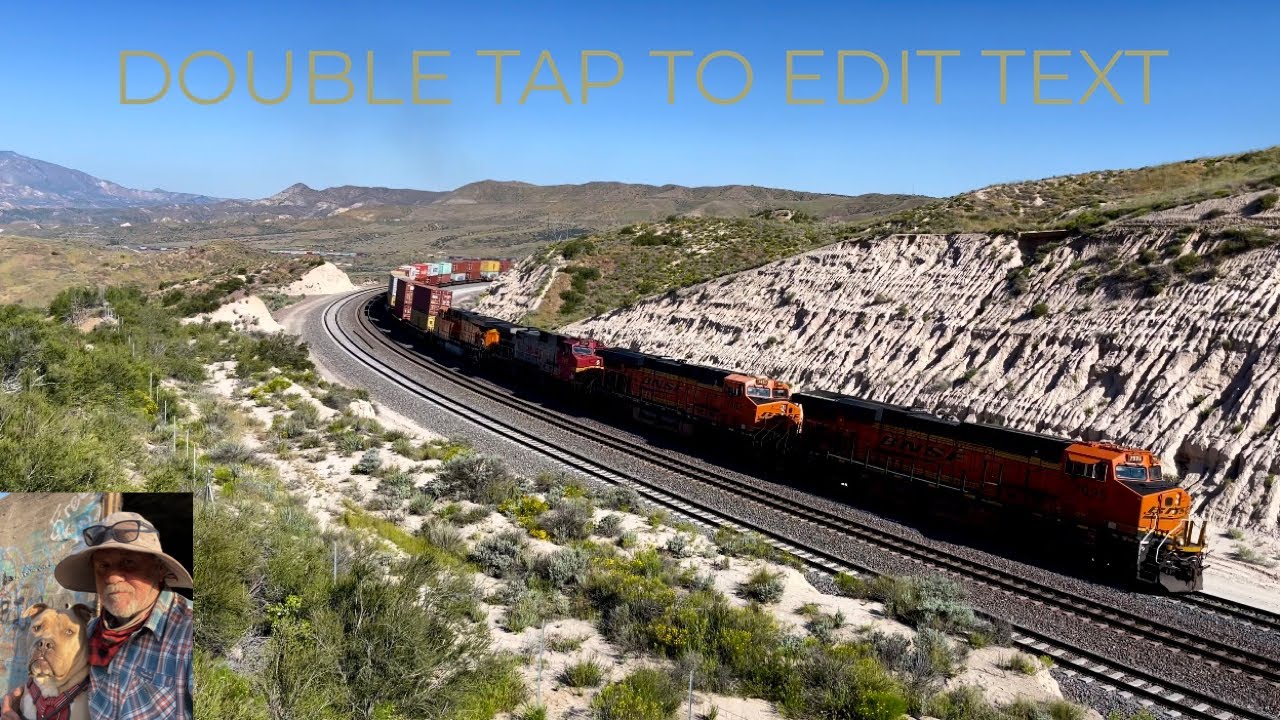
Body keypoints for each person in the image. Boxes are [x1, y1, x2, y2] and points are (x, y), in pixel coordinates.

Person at [1, 511, 193, 720]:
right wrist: (25, 695)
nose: (111, 577)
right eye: (103, 566)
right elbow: (63, 675)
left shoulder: (187, 633)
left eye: (128, 562)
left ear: (159, 569)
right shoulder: (91, 631)